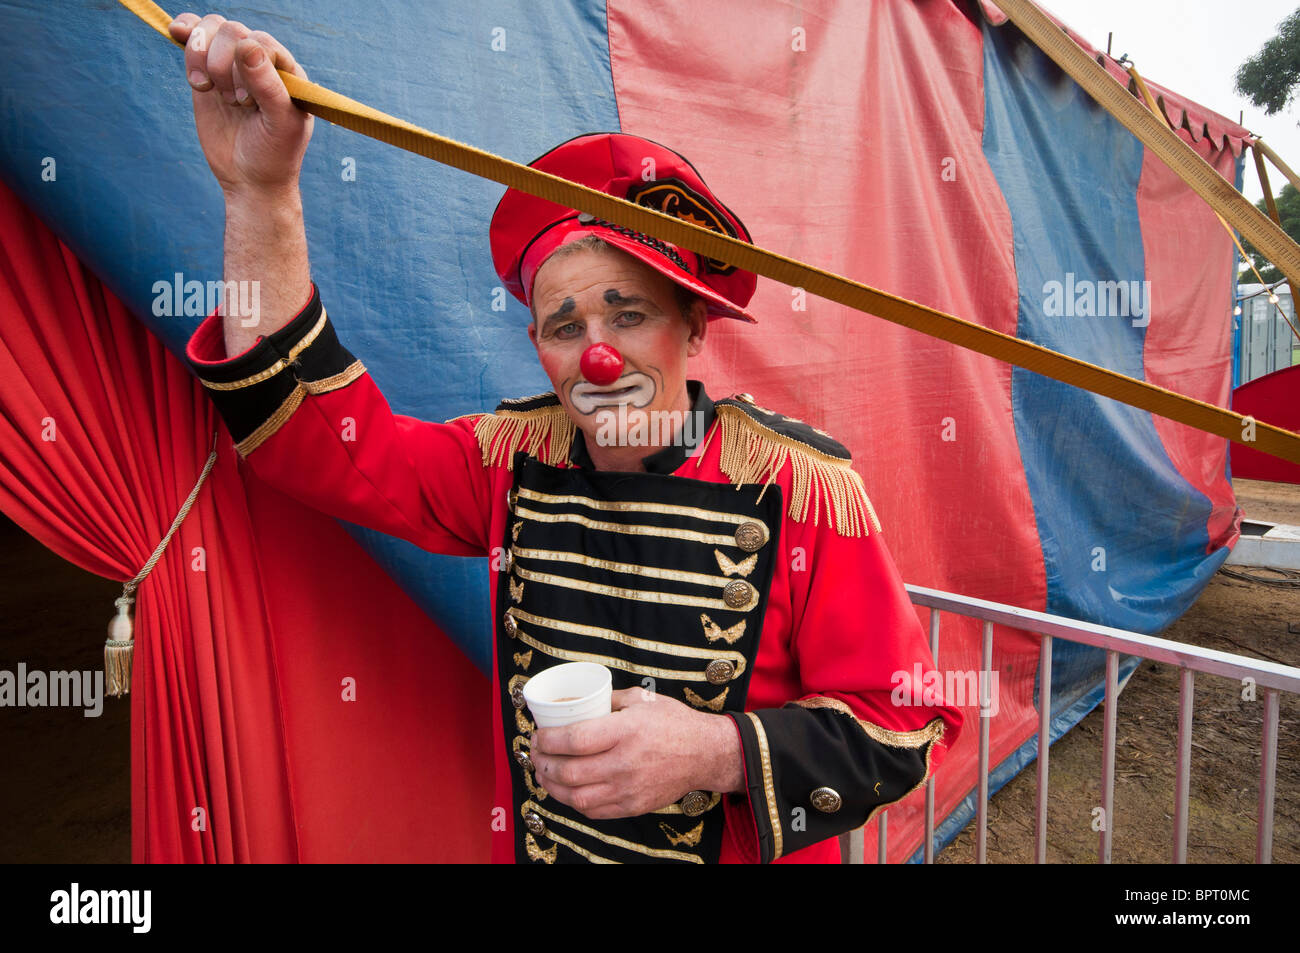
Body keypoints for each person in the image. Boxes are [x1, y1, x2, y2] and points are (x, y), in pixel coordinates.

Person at [170, 12, 963, 864]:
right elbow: (315, 443)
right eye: (564, 323)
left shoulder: (805, 490)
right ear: (538, 349)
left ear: (694, 329)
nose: (596, 351)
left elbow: (908, 725)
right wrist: (260, 194)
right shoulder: (508, 462)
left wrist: (720, 751)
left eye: (629, 312)